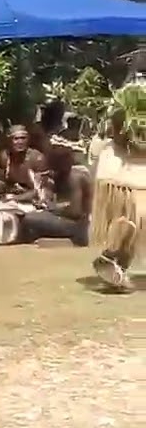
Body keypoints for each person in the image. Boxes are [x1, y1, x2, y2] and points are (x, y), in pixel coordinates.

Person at [89, 79, 144, 291]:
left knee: (136, 222)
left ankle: (114, 264)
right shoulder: (126, 103)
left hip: (136, 170)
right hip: (121, 169)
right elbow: (118, 133)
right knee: (131, 220)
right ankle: (112, 259)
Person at [19, 140, 92, 245]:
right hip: (67, 219)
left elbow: (75, 212)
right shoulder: (62, 176)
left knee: (29, 219)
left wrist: (53, 208)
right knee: (31, 217)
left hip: (78, 226)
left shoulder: (74, 178)